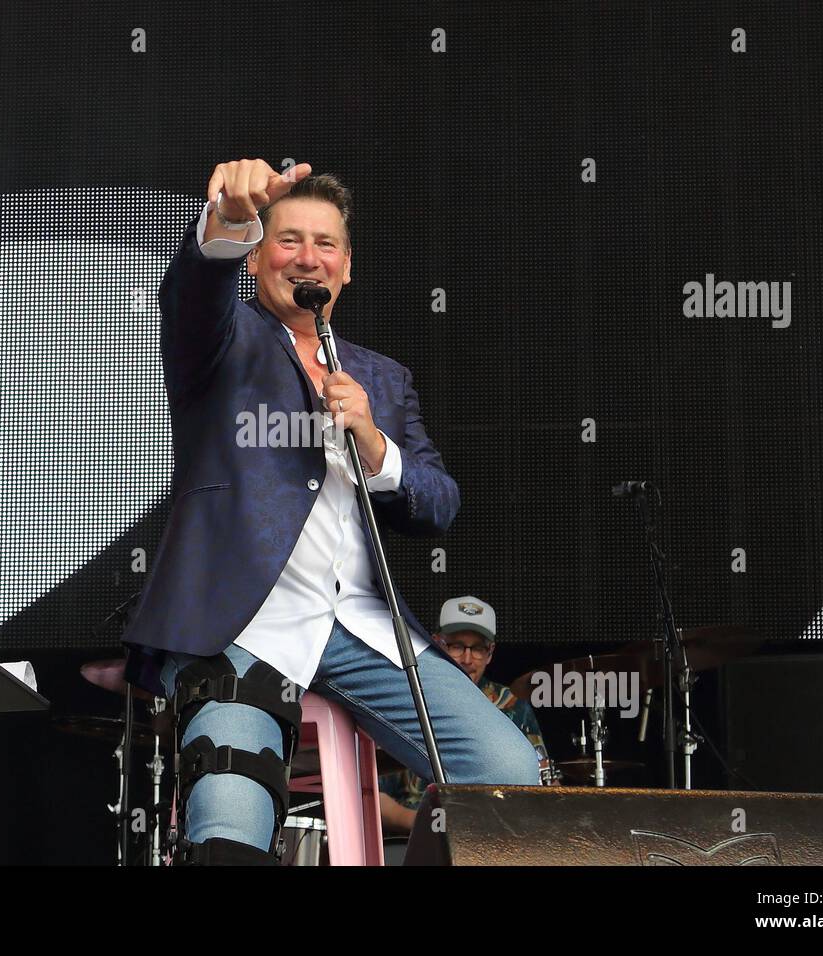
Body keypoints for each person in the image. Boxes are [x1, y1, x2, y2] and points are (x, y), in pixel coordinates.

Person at [121, 158, 538, 865]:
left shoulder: (381, 377)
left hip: (363, 628)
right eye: (287, 240)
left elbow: (438, 504)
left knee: (509, 777)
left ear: (346, 268)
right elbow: (191, 294)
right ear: (255, 258)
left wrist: (375, 445)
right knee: (228, 830)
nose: (308, 256)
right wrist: (226, 217)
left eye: (326, 244)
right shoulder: (223, 342)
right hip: (245, 625)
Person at [378, 596, 551, 834]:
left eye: (478, 648)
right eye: (457, 646)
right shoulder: (409, 699)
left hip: (495, 835)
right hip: (413, 838)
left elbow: (542, 785)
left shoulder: (512, 704)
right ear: (437, 643)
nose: (467, 659)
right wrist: (424, 825)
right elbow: (372, 795)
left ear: (490, 653)